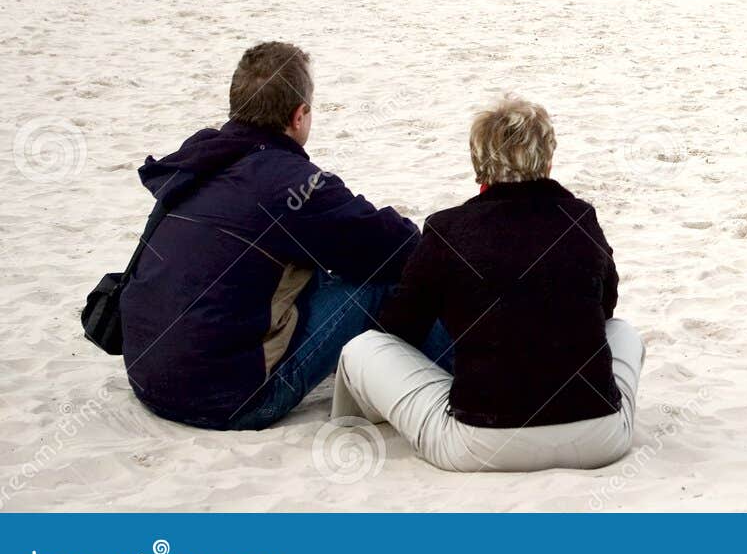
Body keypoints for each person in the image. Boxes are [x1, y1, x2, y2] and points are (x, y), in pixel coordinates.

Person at [119, 43, 424, 430]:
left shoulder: (198, 159)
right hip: (228, 401)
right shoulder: (294, 185)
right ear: (299, 116)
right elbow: (398, 248)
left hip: (147, 375)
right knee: (374, 282)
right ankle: (446, 373)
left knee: (294, 260)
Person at [332, 95, 643, 473]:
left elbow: (401, 329)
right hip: (601, 439)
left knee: (362, 348)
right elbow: (606, 309)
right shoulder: (581, 218)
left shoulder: (447, 229)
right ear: (548, 160)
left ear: (479, 167)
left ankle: (351, 432)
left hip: (482, 443)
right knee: (624, 331)